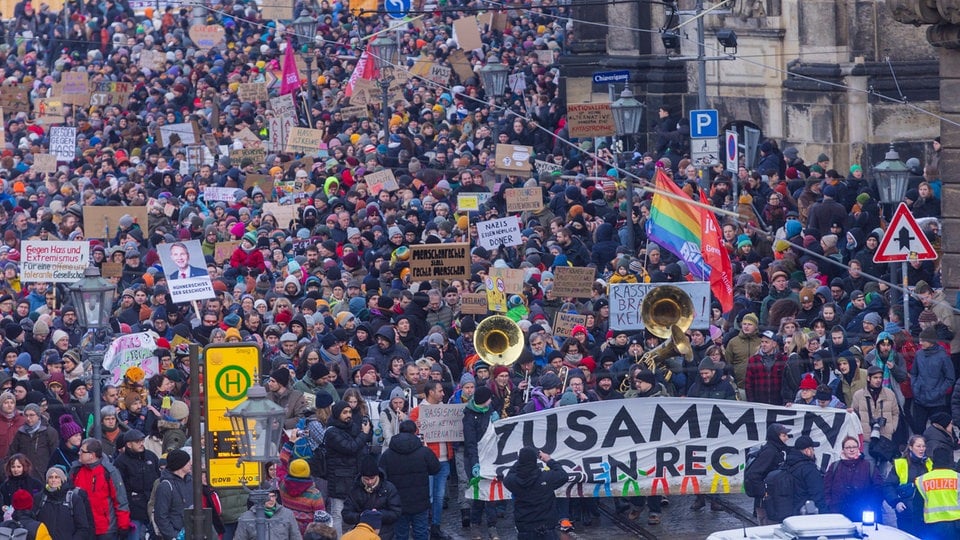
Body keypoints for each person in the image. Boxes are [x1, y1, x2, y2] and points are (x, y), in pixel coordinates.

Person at [687, 358, 736, 511]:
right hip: (699, 433)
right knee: (698, 467)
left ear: (713, 371)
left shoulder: (726, 387)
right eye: (701, 373)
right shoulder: (695, 388)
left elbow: (733, 408)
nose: (704, 376)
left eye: (706, 373)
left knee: (715, 467)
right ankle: (700, 497)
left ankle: (715, 499)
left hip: (718, 433)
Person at [407, 380, 453, 540]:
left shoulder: (446, 410)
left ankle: (435, 527)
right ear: (431, 392)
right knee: (429, 496)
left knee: (439, 497)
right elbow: (411, 434)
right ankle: (423, 527)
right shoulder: (416, 412)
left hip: (444, 458)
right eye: (440, 391)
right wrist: (418, 427)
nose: (443, 394)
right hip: (427, 460)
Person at [380, 420, 440, 540]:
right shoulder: (424, 452)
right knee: (421, 533)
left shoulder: (387, 454)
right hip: (420, 501)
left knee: (400, 535)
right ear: (415, 432)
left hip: (397, 502)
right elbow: (435, 469)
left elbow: (381, 476)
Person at [324, 400, 372, 536]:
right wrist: (364, 434)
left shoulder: (352, 427)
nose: (348, 415)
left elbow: (362, 445)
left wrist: (367, 431)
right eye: (344, 412)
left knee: (357, 512)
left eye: (350, 412)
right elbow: (350, 447)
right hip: (338, 478)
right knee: (338, 513)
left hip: (354, 475)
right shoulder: (332, 432)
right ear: (337, 414)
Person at [69, 438, 131, 539]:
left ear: (92, 455)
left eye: (82, 451)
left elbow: (120, 500)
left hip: (105, 529)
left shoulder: (109, 472)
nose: (79, 453)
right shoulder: (75, 470)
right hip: (83, 527)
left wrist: (123, 526)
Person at [502, 447, 568, 540]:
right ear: (534, 461)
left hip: (525, 530)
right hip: (547, 529)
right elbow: (563, 475)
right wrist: (549, 460)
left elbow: (510, 474)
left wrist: (521, 460)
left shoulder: (512, 481)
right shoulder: (546, 477)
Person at [112, 429, 159, 540]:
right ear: (128, 444)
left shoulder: (151, 456)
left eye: (142, 441)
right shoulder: (121, 462)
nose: (141, 444)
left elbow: (158, 478)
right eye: (137, 442)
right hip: (134, 509)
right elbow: (120, 488)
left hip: (152, 505)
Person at [342, 455, 402, 540]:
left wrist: (379, 515)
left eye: (372, 478)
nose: (370, 482)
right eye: (366, 479)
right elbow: (346, 514)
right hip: (362, 535)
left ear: (377, 475)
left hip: (386, 534)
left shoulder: (389, 488)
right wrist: (361, 516)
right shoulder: (355, 489)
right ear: (362, 476)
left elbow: (396, 512)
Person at [824, 436, 882, 522]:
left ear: (858, 448)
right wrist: (830, 505)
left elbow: (878, 488)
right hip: (838, 514)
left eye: (854, 447)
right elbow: (826, 488)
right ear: (843, 449)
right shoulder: (834, 466)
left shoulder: (868, 466)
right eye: (848, 447)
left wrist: (872, 506)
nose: (851, 450)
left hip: (863, 513)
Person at [884, 435, 933, 538]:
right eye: (918, 446)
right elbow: (888, 485)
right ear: (910, 447)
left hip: (926, 513)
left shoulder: (929, 463)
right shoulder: (901, 463)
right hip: (907, 511)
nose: (921, 449)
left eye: (923, 446)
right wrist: (896, 502)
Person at [850, 366, 900, 464]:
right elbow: (854, 415)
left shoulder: (890, 394)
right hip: (866, 438)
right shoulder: (858, 395)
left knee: (883, 467)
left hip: (885, 438)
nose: (878, 380)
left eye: (880, 378)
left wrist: (892, 428)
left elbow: (895, 413)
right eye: (875, 378)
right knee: (869, 466)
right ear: (868, 378)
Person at [745, 423, 791, 524]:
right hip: (766, 502)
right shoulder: (770, 451)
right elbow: (753, 474)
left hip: (770, 499)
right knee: (767, 527)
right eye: (784, 435)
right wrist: (764, 492)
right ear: (775, 437)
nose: (787, 438)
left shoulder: (776, 449)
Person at [910, 327, 954, 432]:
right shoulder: (919, 354)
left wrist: (938, 392)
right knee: (918, 429)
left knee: (938, 430)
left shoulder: (943, 356)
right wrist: (915, 387)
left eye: (923, 340)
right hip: (920, 399)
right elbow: (914, 373)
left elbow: (950, 378)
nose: (920, 343)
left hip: (937, 402)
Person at [34, 466, 95, 540]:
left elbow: (83, 527)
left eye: (57, 477)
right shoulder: (39, 498)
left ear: (62, 480)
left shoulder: (74, 499)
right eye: (50, 477)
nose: (53, 480)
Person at [913, 448, 960, 540]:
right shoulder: (957, 478)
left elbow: (917, 506)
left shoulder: (923, 480)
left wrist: (918, 529)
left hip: (932, 526)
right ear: (950, 459)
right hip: (956, 526)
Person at [9, 404, 58, 482]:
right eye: (26, 415)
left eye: (31, 415)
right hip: (24, 475)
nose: (28, 418)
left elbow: (55, 454)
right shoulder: (20, 433)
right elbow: (12, 452)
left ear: (38, 416)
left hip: (43, 474)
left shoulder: (49, 432)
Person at [152, 448, 193, 540]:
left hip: (192, 533)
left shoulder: (191, 482)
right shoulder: (165, 486)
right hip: (176, 535)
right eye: (188, 462)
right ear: (180, 464)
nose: (190, 464)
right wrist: (173, 536)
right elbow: (161, 516)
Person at [279, 458, 326, 537]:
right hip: (308, 534)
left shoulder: (283, 486)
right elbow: (321, 518)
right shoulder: (314, 494)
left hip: (288, 530)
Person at [233, 490, 301, 540]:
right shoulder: (246, 517)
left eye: (273, 496)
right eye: (268, 497)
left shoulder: (287, 514)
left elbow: (296, 537)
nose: (271, 499)